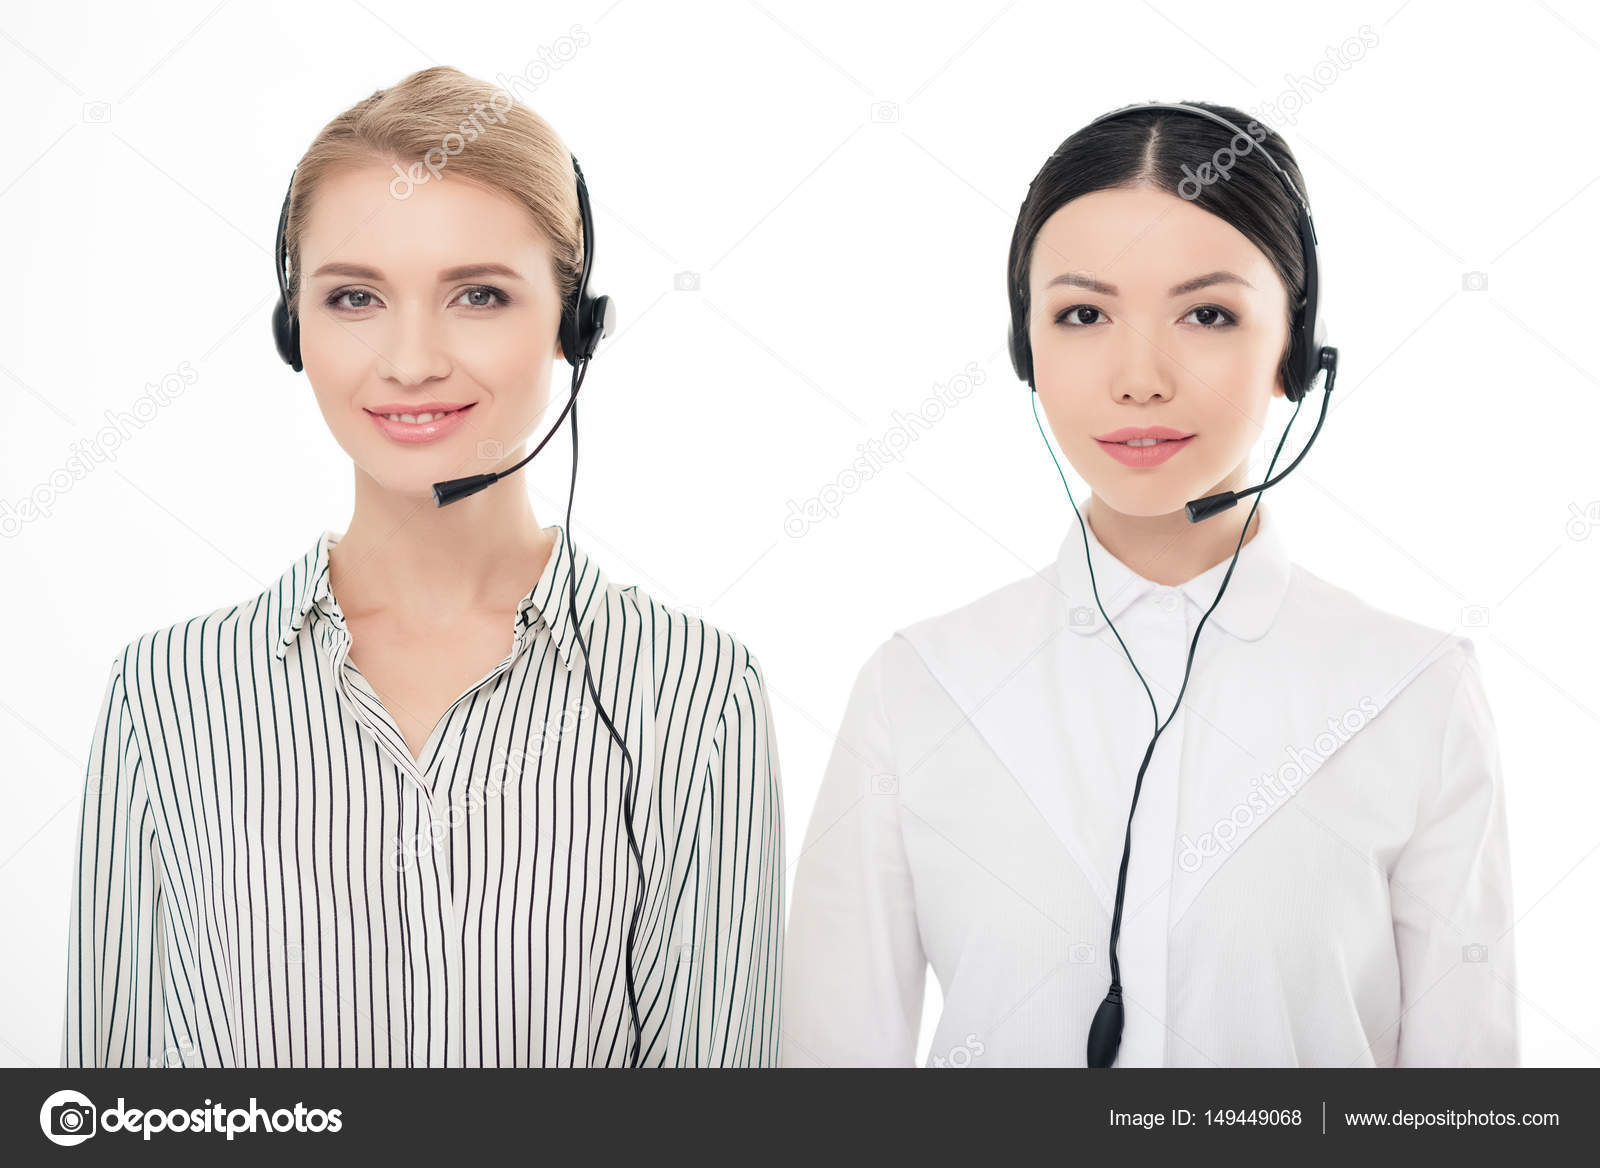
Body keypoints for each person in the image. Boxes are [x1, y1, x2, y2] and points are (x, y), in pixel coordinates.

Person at [62, 65, 783, 1068]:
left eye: (477, 295)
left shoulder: (695, 692)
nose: (409, 361)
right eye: (354, 296)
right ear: (292, 327)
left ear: (576, 324)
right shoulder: (168, 695)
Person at [782, 102, 1517, 1068]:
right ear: (1025, 347)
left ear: (1296, 350)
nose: (1139, 378)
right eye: (1083, 314)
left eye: (1207, 313)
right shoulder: (917, 688)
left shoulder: (1414, 690)